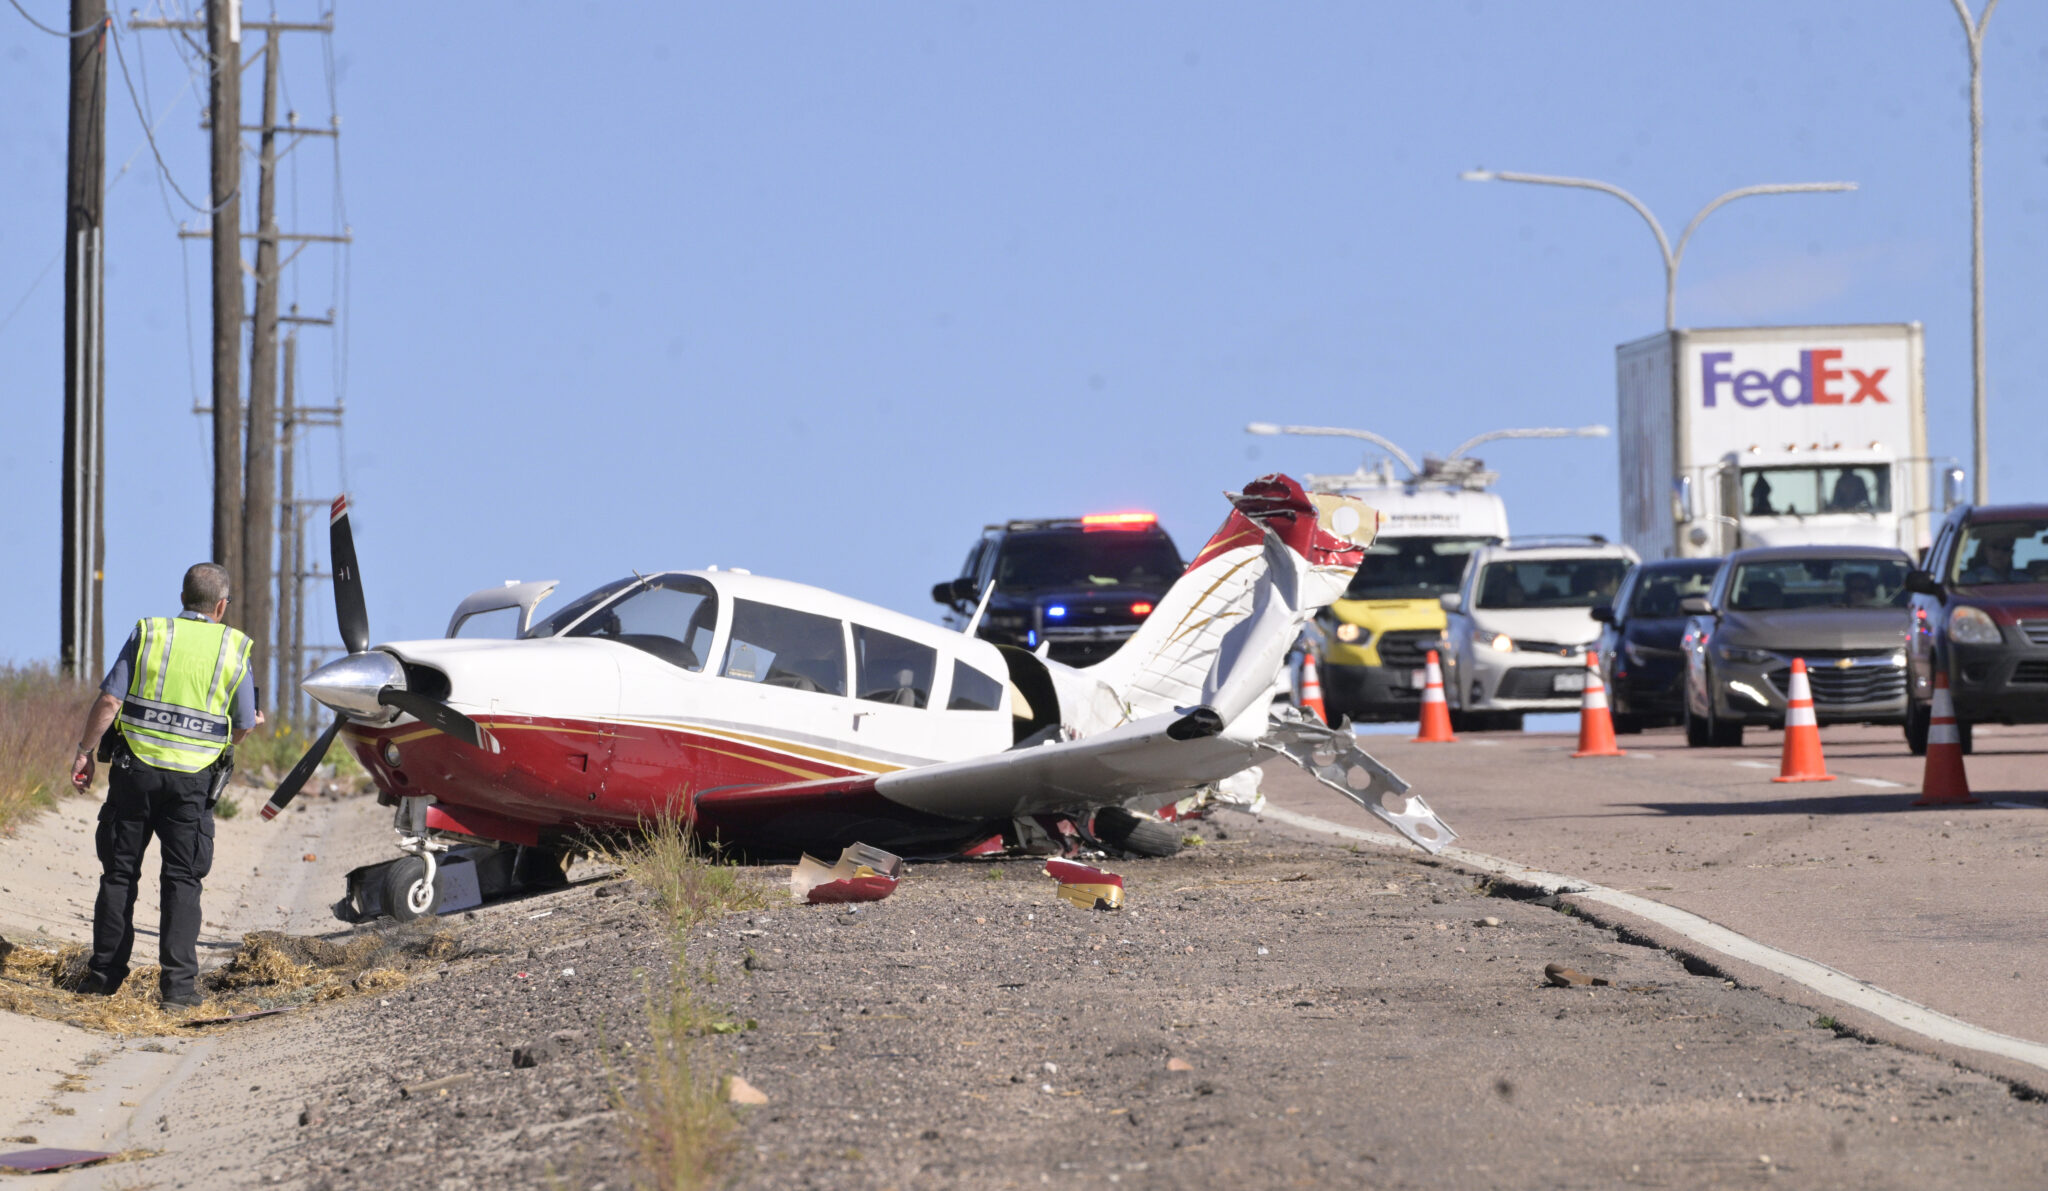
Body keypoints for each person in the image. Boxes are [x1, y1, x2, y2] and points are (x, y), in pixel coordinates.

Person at [68, 563, 259, 1009]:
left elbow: (110, 700)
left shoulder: (151, 633)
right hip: (193, 783)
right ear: (221, 606)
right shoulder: (234, 647)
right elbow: (244, 724)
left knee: (119, 875)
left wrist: (84, 751)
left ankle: (103, 980)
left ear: (182, 598)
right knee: (182, 880)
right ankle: (178, 991)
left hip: (134, 773)